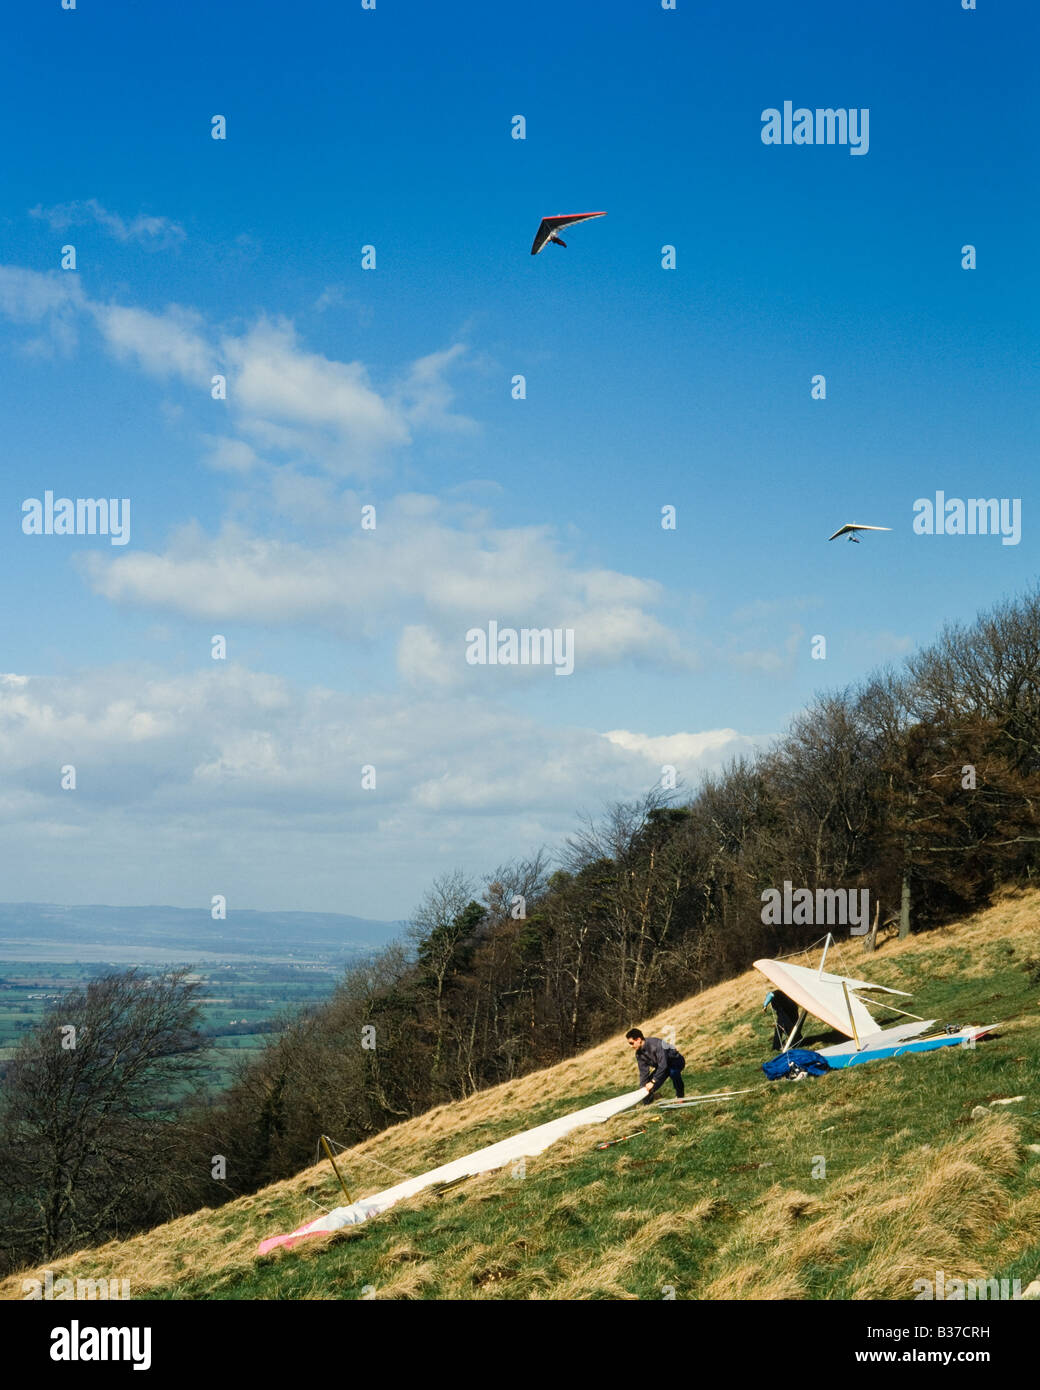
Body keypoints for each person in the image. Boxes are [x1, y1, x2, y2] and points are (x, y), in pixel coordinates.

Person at [626, 1028, 685, 1104]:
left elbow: (663, 1065)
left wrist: (653, 1081)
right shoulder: (638, 1054)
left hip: (675, 1062)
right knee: (647, 1087)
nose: (631, 1046)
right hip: (661, 1067)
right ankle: (651, 1101)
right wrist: (643, 1089)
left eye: (631, 1043)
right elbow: (643, 1073)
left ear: (638, 1039)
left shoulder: (657, 1044)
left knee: (673, 1073)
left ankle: (680, 1097)